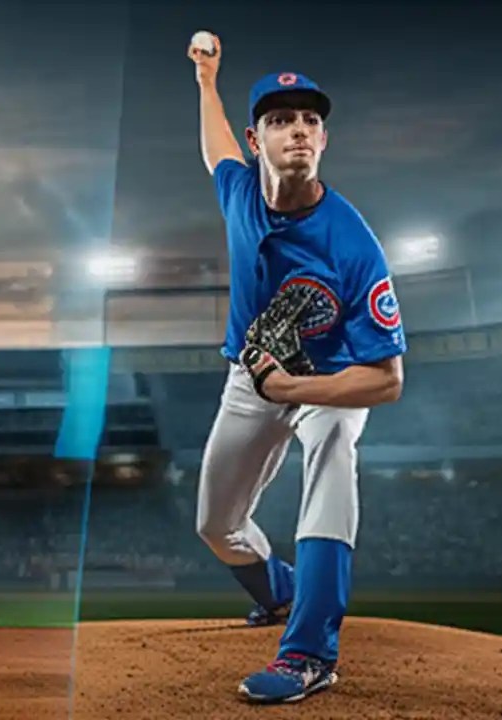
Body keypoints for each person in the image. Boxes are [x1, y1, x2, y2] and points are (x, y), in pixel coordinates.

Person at [186, 32, 407, 704]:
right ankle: (279, 588)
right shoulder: (239, 191)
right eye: (281, 120)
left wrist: (298, 388)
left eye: (310, 119)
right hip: (251, 379)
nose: (300, 129)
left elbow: (387, 378)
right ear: (258, 142)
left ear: (324, 139)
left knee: (334, 449)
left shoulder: (352, 243)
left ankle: (309, 653)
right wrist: (206, 80)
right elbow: (215, 146)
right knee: (216, 525)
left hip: (334, 381)